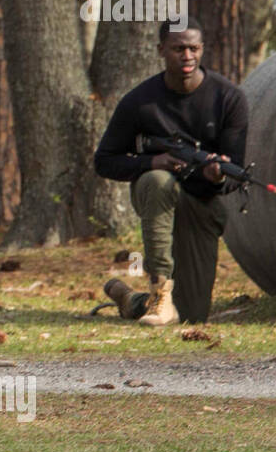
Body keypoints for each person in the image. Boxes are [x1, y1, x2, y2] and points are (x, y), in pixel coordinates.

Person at [93, 17, 249, 325]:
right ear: (161, 50)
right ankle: (159, 289)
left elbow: (235, 174)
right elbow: (104, 160)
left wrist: (215, 176)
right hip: (154, 194)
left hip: (202, 203)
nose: (187, 56)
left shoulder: (229, 98)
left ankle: (130, 299)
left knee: (191, 316)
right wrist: (152, 162)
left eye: (193, 48)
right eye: (178, 48)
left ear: (202, 49)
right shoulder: (139, 102)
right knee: (158, 180)